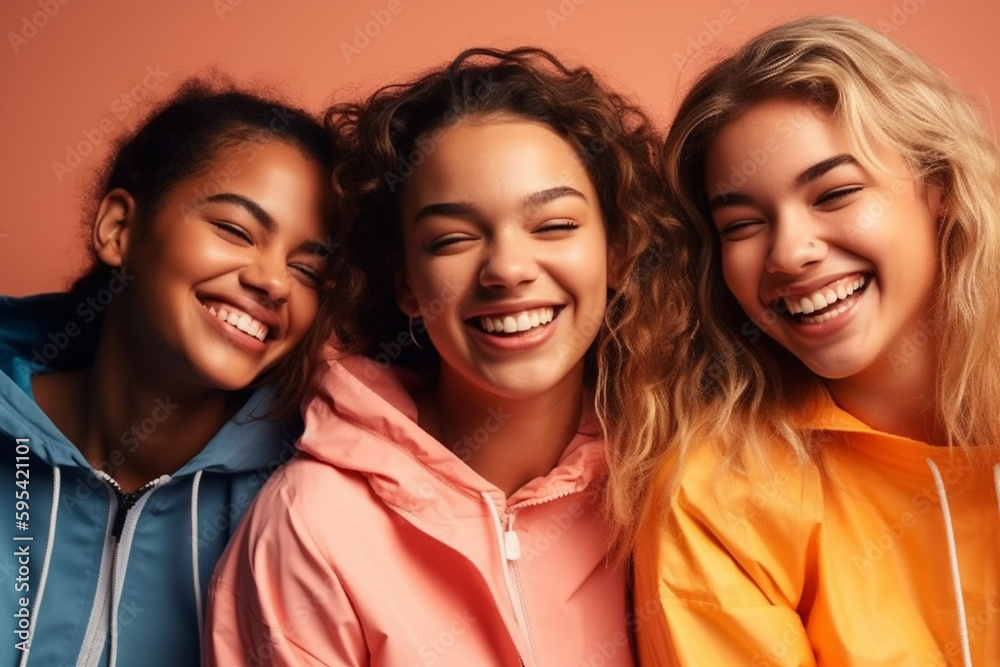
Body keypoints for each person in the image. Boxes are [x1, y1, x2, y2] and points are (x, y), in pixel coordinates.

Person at [206, 47, 692, 666]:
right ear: (407, 282)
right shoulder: (309, 522)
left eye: (554, 226)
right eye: (453, 239)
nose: (508, 270)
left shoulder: (673, 487)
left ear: (617, 253)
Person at [633, 15, 1000, 666]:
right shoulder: (720, 499)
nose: (790, 252)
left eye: (835, 193)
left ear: (937, 185)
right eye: (742, 223)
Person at [0, 80, 337, 667]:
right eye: (235, 230)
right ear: (119, 229)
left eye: (307, 269)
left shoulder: (305, 500)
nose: (274, 282)